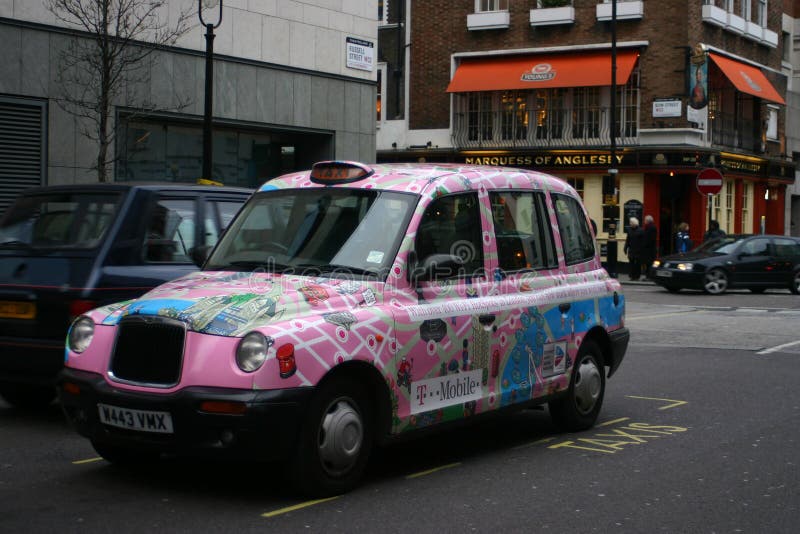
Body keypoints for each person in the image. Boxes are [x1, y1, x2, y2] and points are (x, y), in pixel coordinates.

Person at [623, 217, 645, 281]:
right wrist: (625, 248)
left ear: (634, 223)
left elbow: (643, 241)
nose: (630, 224)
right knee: (631, 264)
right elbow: (628, 240)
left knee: (637, 264)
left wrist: (642, 250)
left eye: (631, 223)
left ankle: (637, 276)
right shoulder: (629, 230)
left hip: (638, 250)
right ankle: (632, 276)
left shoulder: (641, 230)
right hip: (631, 250)